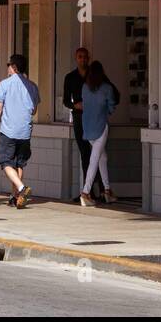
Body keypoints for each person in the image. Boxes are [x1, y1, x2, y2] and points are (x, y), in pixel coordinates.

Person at [0, 53, 40, 208]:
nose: (8, 69)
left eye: (9, 66)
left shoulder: (5, 84)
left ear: (14, 67)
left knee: (5, 162)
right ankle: (16, 197)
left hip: (9, 131)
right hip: (25, 131)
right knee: (19, 164)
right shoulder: (32, 86)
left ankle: (21, 188)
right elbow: (33, 111)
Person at [78, 61, 119, 207]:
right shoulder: (107, 88)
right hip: (101, 125)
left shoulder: (84, 88)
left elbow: (83, 104)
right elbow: (112, 105)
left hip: (87, 126)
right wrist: (106, 112)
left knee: (102, 157)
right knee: (95, 159)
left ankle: (107, 190)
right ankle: (86, 192)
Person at [62, 46, 98, 202]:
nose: (82, 59)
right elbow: (65, 100)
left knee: (99, 155)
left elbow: (108, 92)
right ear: (76, 58)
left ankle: (102, 190)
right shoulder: (70, 77)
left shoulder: (95, 75)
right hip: (79, 117)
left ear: (88, 58)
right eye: (80, 57)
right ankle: (87, 190)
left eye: (85, 57)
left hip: (96, 117)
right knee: (85, 153)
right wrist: (74, 105)